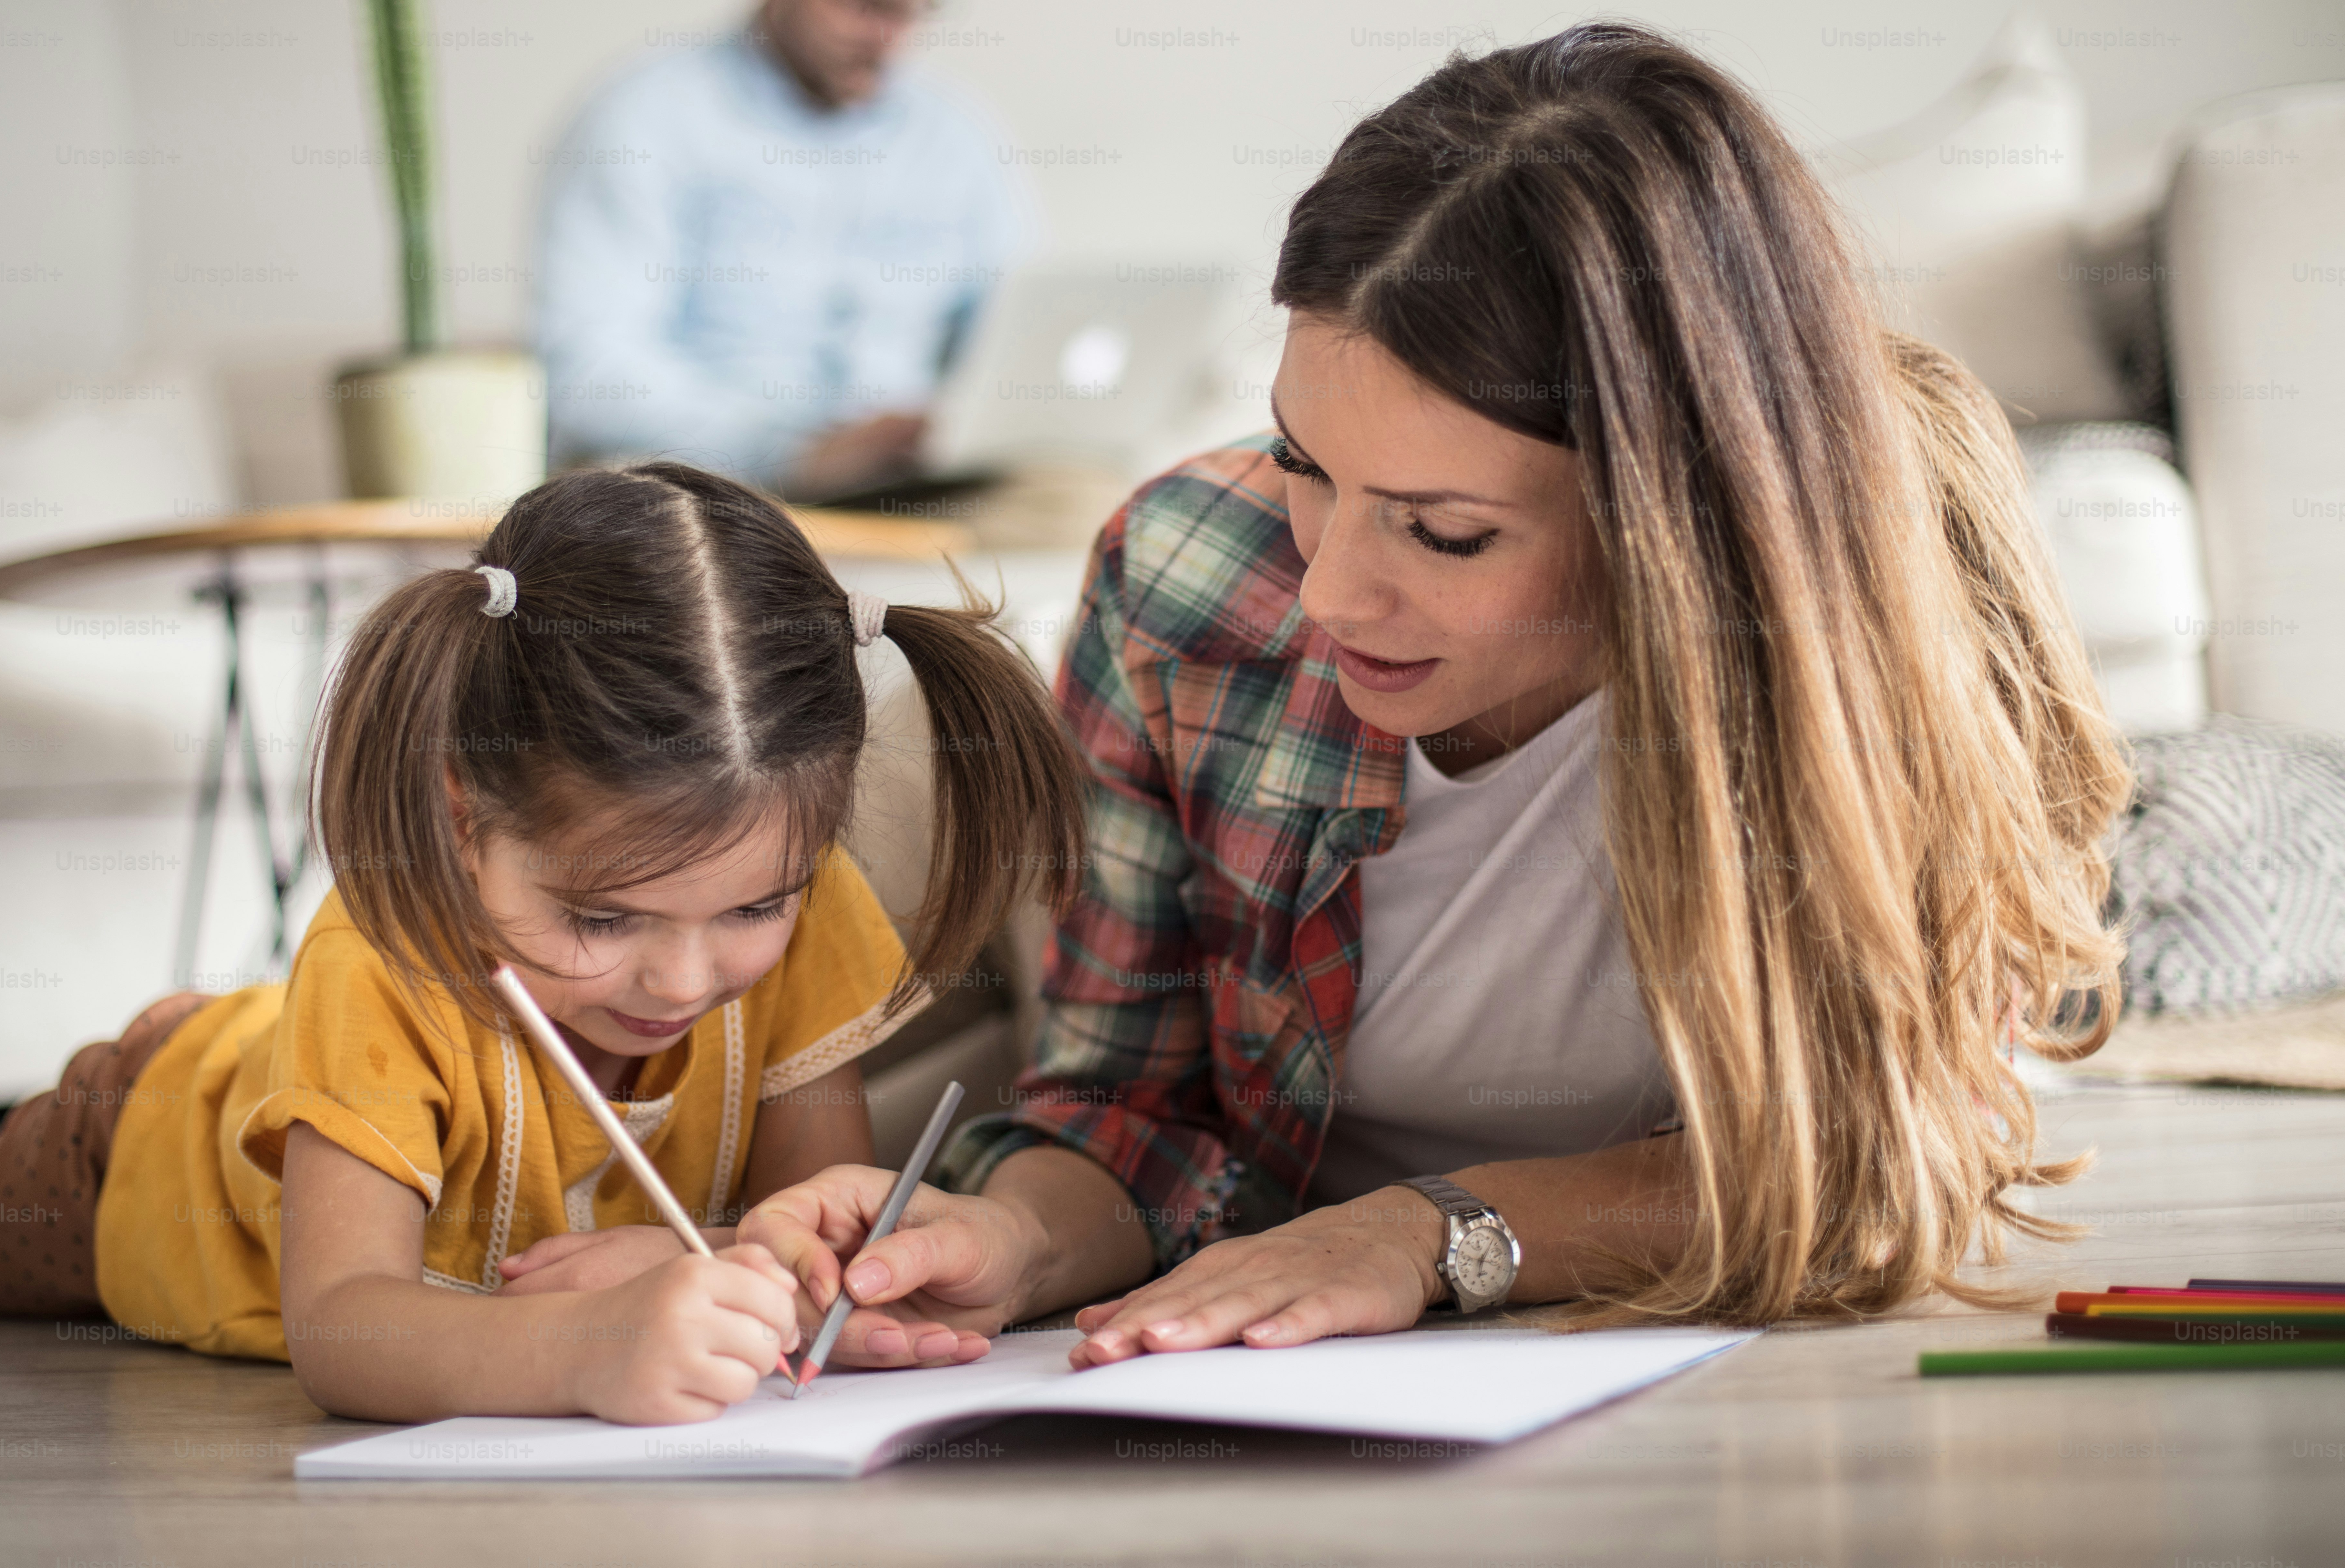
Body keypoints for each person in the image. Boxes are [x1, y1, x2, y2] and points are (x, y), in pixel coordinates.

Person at [729, 23, 2133, 1361]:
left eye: (1444, 531)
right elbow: (1130, 1108)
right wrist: (1005, 1238)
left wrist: (1431, 1234)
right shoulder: (1182, 573)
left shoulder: (1884, 613)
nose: (1330, 591)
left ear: (1670, 515)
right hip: (1299, 1346)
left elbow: (1882, 1166)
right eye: (1302, 462)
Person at [0, 461, 1085, 1425]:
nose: (681, 978)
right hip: (140, 1141)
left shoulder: (814, 912)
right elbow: (346, 1326)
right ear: (463, 819)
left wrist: (799, 1281)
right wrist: (584, 1343)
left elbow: (788, 1219)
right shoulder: (380, 958)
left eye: (751, 909)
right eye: (603, 918)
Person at [536, 0, 1026, 500]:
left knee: (1070, 500)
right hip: (704, 503)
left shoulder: (957, 138)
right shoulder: (644, 116)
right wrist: (785, 456)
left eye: (914, 11)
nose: (889, 37)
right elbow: (587, 374)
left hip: (914, 495)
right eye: (865, 6)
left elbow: (1014, 331)